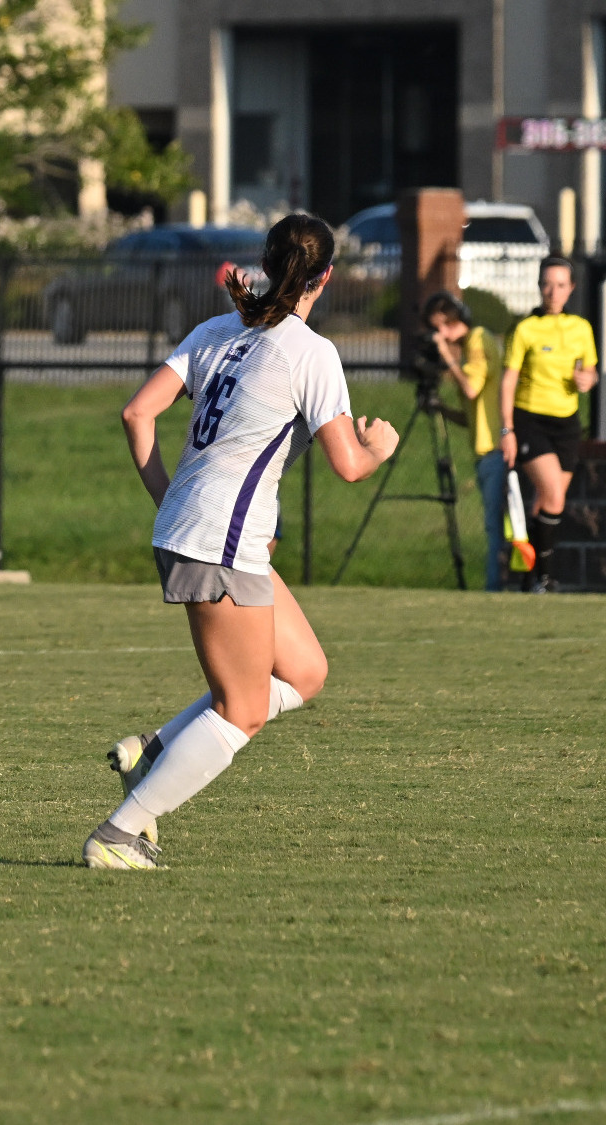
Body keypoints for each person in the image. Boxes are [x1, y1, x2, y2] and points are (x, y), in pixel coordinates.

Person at [86, 213, 399, 870]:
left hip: (208, 533)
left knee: (306, 670)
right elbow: (348, 464)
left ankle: (157, 746)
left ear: (265, 261)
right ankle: (120, 831)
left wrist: (167, 497)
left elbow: (136, 411)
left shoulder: (217, 329)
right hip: (220, 541)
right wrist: (381, 445)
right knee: (243, 709)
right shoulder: (310, 351)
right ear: (327, 278)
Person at [499, 257, 599, 593]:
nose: (552, 291)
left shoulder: (581, 328)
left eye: (560, 284)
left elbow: (590, 371)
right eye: (546, 284)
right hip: (531, 421)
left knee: (546, 501)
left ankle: (529, 575)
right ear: (539, 286)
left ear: (570, 288)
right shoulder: (526, 329)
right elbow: (508, 380)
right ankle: (545, 576)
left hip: (567, 423)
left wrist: (587, 379)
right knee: (554, 497)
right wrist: (507, 429)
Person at [423, 292, 504, 591]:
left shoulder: (479, 340)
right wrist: (443, 410)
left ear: (454, 320)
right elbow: (472, 413)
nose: (439, 336)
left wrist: (446, 356)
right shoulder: (470, 348)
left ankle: (495, 588)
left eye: (440, 327)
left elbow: (470, 389)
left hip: (495, 449)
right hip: (485, 450)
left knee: (496, 528)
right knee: (494, 526)